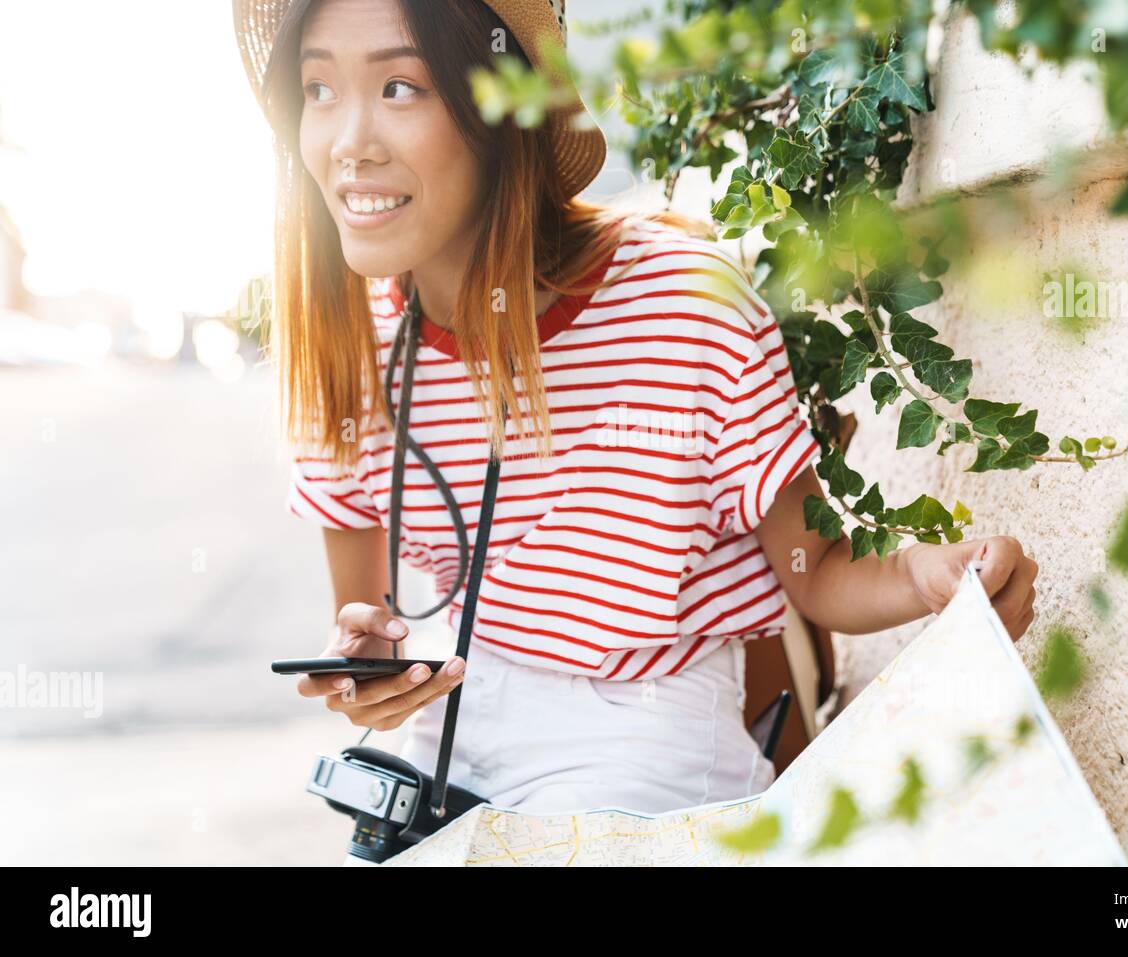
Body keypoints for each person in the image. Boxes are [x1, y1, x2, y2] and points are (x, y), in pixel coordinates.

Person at [235, 0, 1038, 815]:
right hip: (459, 736)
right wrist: (366, 669)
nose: (348, 144)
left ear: (498, 110)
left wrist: (932, 577)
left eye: (401, 87)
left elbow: (817, 570)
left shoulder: (685, 303)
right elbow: (364, 625)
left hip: (653, 749)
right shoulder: (345, 349)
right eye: (320, 90)